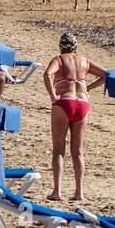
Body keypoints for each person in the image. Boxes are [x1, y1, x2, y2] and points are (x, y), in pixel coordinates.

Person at [42, 32, 107, 201]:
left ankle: (57, 191)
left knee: (58, 149)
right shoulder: (84, 60)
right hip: (82, 103)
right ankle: (79, 192)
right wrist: (88, 89)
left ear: (61, 46)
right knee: (77, 150)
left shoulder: (59, 59)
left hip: (64, 102)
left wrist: (52, 96)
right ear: (76, 46)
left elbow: (47, 75)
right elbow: (106, 75)